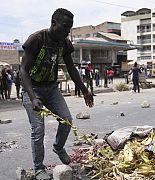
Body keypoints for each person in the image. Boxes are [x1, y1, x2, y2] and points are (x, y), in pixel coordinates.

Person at [20, 8, 94, 180]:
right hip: (32, 89)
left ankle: (58, 147)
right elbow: (23, 71)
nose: (68, 31)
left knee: (67, 120)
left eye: (70, 28)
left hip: (51, 89)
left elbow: (71, 68)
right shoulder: (36, 40)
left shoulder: (65, 43)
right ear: (54, 23)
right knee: (38, 130)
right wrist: (32, 97)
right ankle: (39, 168)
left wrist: (84, 90)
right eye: (65, 27)